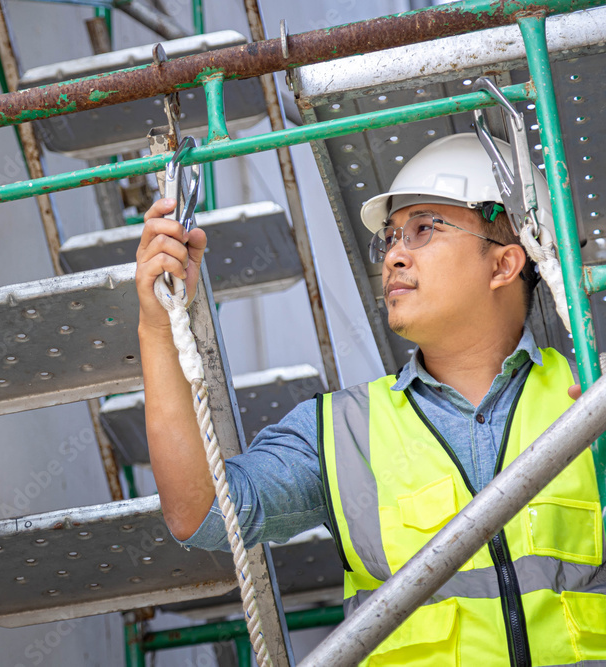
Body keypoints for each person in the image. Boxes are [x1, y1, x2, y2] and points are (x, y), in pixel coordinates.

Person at [134, 133, 605, 665]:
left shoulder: (592, 399)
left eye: (424, 229)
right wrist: (157, 327)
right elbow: (199, 513)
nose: (394, 256)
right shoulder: (342, 431)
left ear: (504, 265)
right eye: (391, 239)